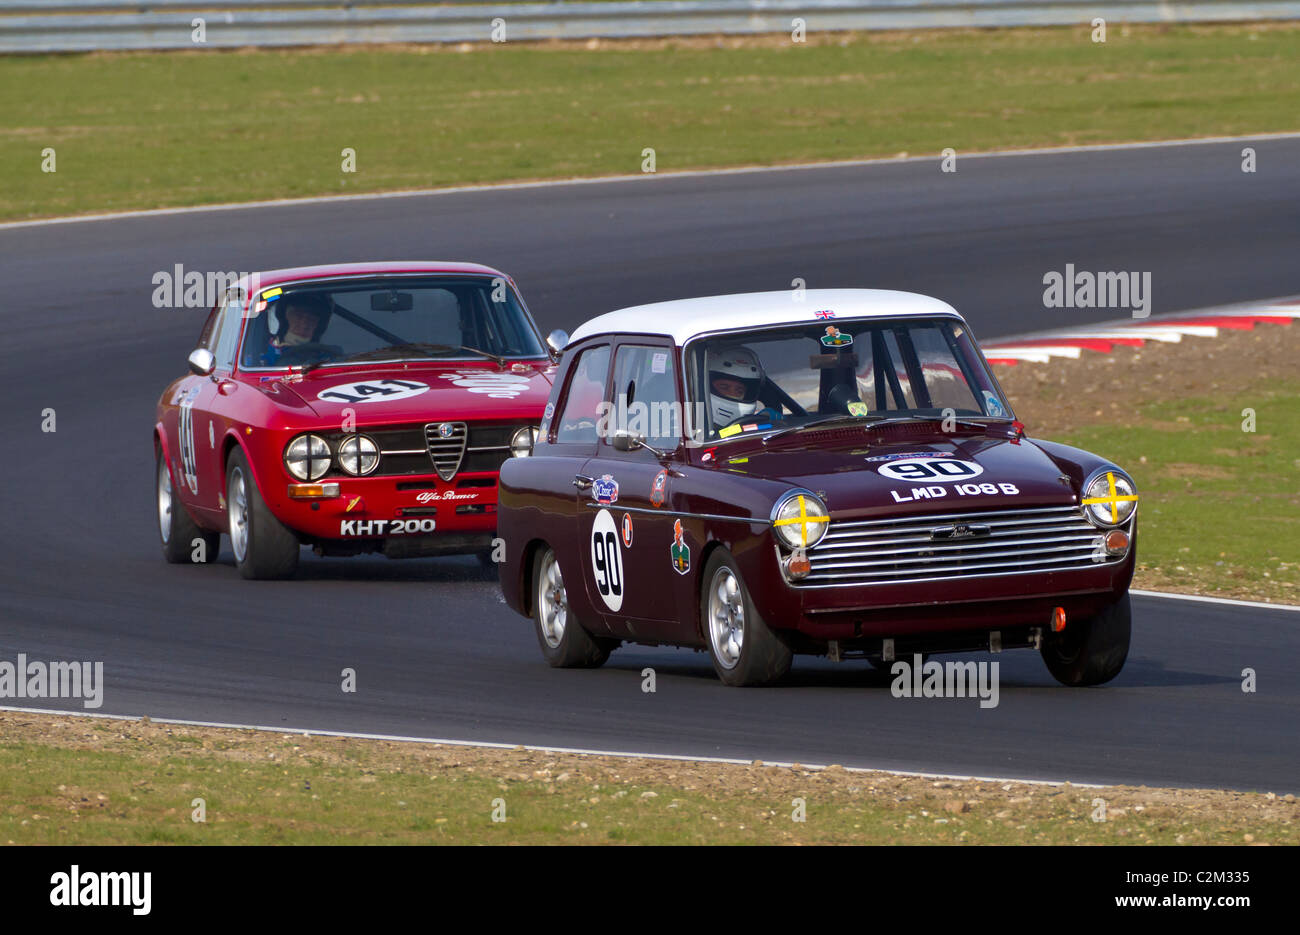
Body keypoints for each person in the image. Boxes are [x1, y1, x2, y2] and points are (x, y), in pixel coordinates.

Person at [707, 344, 769, 428]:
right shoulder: (693, 427)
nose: (732, 394)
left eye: (739, 391)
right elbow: (723, 435)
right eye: (724, 387)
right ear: (707, 386)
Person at [261, 293, 332, 365]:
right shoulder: (262, 354)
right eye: (298, 316)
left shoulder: (329, 358)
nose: (304, 325)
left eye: (311, 319)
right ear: (283, 318)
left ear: (319, 326)